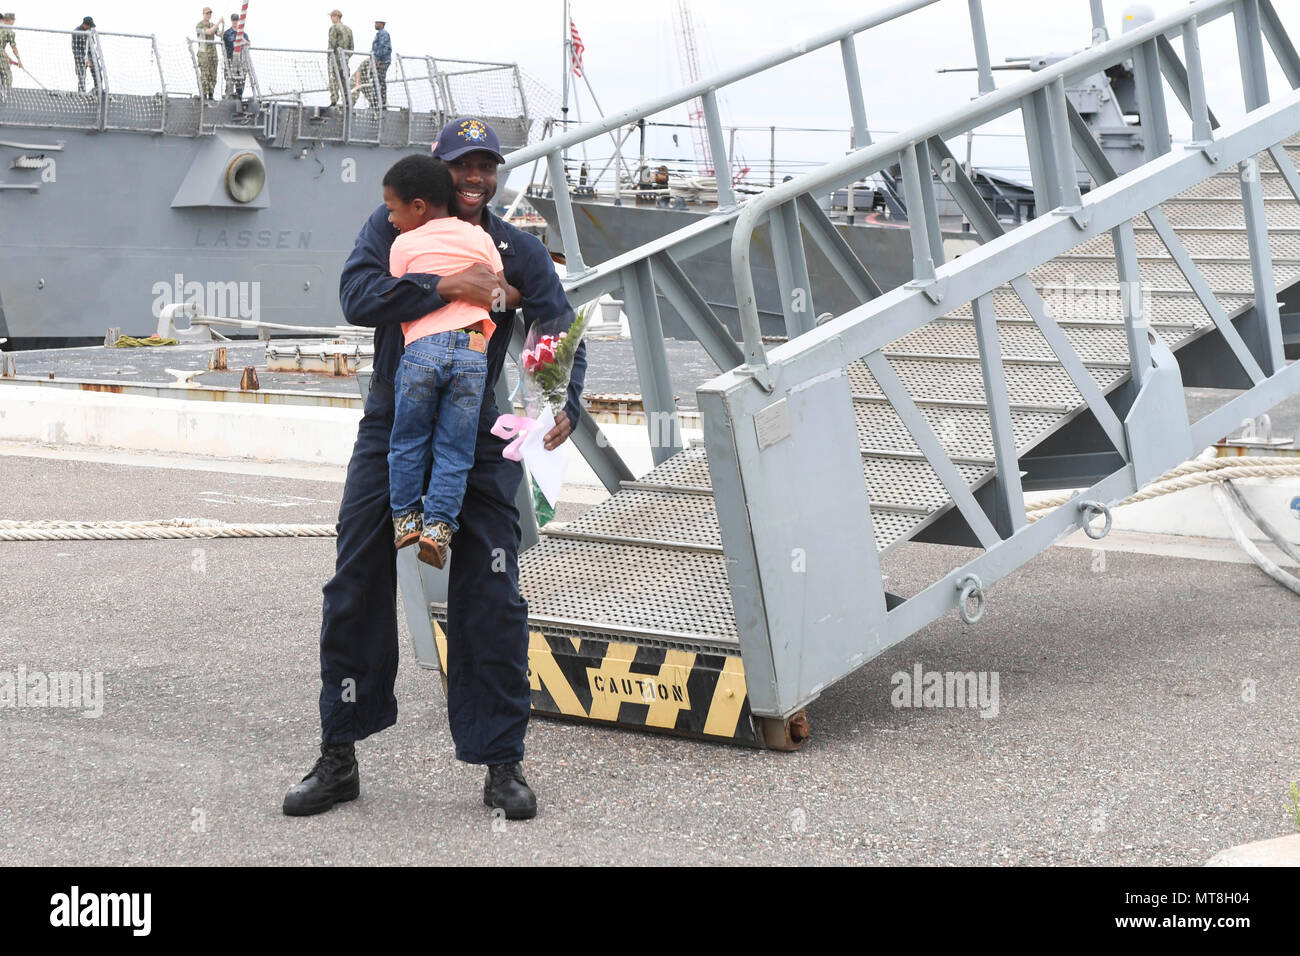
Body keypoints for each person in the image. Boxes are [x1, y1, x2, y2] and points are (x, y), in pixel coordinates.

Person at [282, 117, 585, 821]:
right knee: (355, 580)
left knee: (494, 596)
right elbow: (358, 298)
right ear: (436, 173)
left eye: (488, 166)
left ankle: (501, 764)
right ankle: (339, 755)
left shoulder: (516, 246)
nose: (475, 179)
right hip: (392, 427)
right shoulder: (394, 226)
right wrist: (450, 283)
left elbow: (555, 324)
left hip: (478, 437)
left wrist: (559, 398)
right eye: (462, 166)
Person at [383, 155, 503, 569]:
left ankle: (405, 520)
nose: (389, 218)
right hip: (471, 349)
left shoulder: (402, 244)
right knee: (455, 449)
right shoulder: (478, 236)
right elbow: (499, 289)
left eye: (392, 209)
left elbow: (400, 294)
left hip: (422, 349)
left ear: (417, 207)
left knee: (408, 440)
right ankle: (438, 530)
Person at [326, 8, 353, 106]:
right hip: (345, 59)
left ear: (336, 17)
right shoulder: (348, 29)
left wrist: (329, 56)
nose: (331, 19)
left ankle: (334, 100)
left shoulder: (334, 28)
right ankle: (346, 100)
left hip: (335, 58)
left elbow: (332, 44)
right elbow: (352, 47)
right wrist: (347, 57)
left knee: (333, 79)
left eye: (332, 17)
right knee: (344, 79)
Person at [195, 7, 223, 100]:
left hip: (213, 53)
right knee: (205, 75)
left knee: (213, 74)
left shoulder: (212, 24)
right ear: (203, 14)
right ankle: (204, 95)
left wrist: (222, 26)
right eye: (207, 13)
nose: (208, 15)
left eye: (210, 13)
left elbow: (219, 33)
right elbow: (209, 31)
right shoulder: (199, 25)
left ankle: (211, 94)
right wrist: (219, 22)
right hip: (204, 53)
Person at [221, 12, 250, 99]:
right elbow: (222, 43)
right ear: (231, 21)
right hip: (230, 60)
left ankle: (239, 97)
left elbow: (249, 43)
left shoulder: (243, 34)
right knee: (229, 81)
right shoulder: (227, 33)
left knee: (240, 81)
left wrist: (242, 39)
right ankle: (228, 97)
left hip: (240, 62)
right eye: (234, 20)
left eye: (236, 20)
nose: (235, 22)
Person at [71, 16, 96, 94]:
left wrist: (92, 58)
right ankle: (82, 92)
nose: (90, 28)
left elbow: (92, 44)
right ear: (85, 25)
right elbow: (75, 50)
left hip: (89, 55)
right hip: (80, 56)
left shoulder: (89, 31)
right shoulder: (76, 32)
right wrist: (85, 60)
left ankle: (98, 89)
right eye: (90, 26)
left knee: (96, 70)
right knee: (81, 75)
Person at [371, 18, 390, 106]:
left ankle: (381, 101)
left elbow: (383, 48)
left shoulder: (383, 34)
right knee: (377, 80)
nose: (375, 24)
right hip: (379, 60)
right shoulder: (380, 34)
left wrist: (378, 60)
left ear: (381, 23)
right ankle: (377, 100)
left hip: (382, 61)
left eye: (376, 22)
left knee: (380, 80)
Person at [0, 13, 20, 90]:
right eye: (13, 20)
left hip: (2, 54)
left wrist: (7, 57)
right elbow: (14, 47)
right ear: (10, 20)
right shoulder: (9, 31)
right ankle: (5, 95)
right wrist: (19, 60)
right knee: (7, 76)